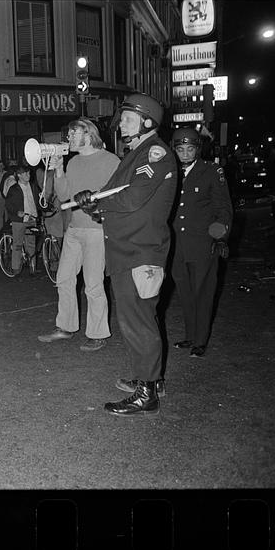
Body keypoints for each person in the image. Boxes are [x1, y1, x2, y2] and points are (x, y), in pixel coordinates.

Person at [73, 93, 177, 416]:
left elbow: (132, 199)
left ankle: (147, 393)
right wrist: (95, 203)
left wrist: (97, 203)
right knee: (140, 320)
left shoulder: (155, 153)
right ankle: (149, 379)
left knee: (138, 323)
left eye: (128, 118)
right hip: (129, 250)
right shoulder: (136, 154)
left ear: (148, 121)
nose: (121, 123)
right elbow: (115, 195)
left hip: (139, 251)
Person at [39, 118, 120, 351]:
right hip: (74, 229)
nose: (69, 138)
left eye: (74, 133)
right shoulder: (73, 162)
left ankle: (97, 333)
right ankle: (65, 326)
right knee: (64, 279)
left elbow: (114, 196)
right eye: (70, 134)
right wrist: (58, 169)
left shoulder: (110, 161)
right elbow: (65, 196)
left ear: (89, 134)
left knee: (93, 284)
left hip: (97, 230)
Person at [169, 127, 233, 358]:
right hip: (176, 245)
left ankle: (200, 340)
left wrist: (220, 237)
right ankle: (189, 335)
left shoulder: (211, 171)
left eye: (190, 149)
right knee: (185, 292)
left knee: (203, 293)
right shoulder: (170, 172)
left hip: (202, 244)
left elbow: (222, 208)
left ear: (197, 149)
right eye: (180, 149)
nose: (185, 153)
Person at [5, 164, 42, 278]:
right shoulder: (14, 189)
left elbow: (39, 200)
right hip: (19, 220)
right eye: (25, 173)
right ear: (19, 175)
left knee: (31, 243)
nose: (28, 175)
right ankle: (15, 268)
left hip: (32, 218)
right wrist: (17, 212)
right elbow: (8, 205)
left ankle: (33, 268)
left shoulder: (33, 186)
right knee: (17, 244)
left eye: (29, 173)